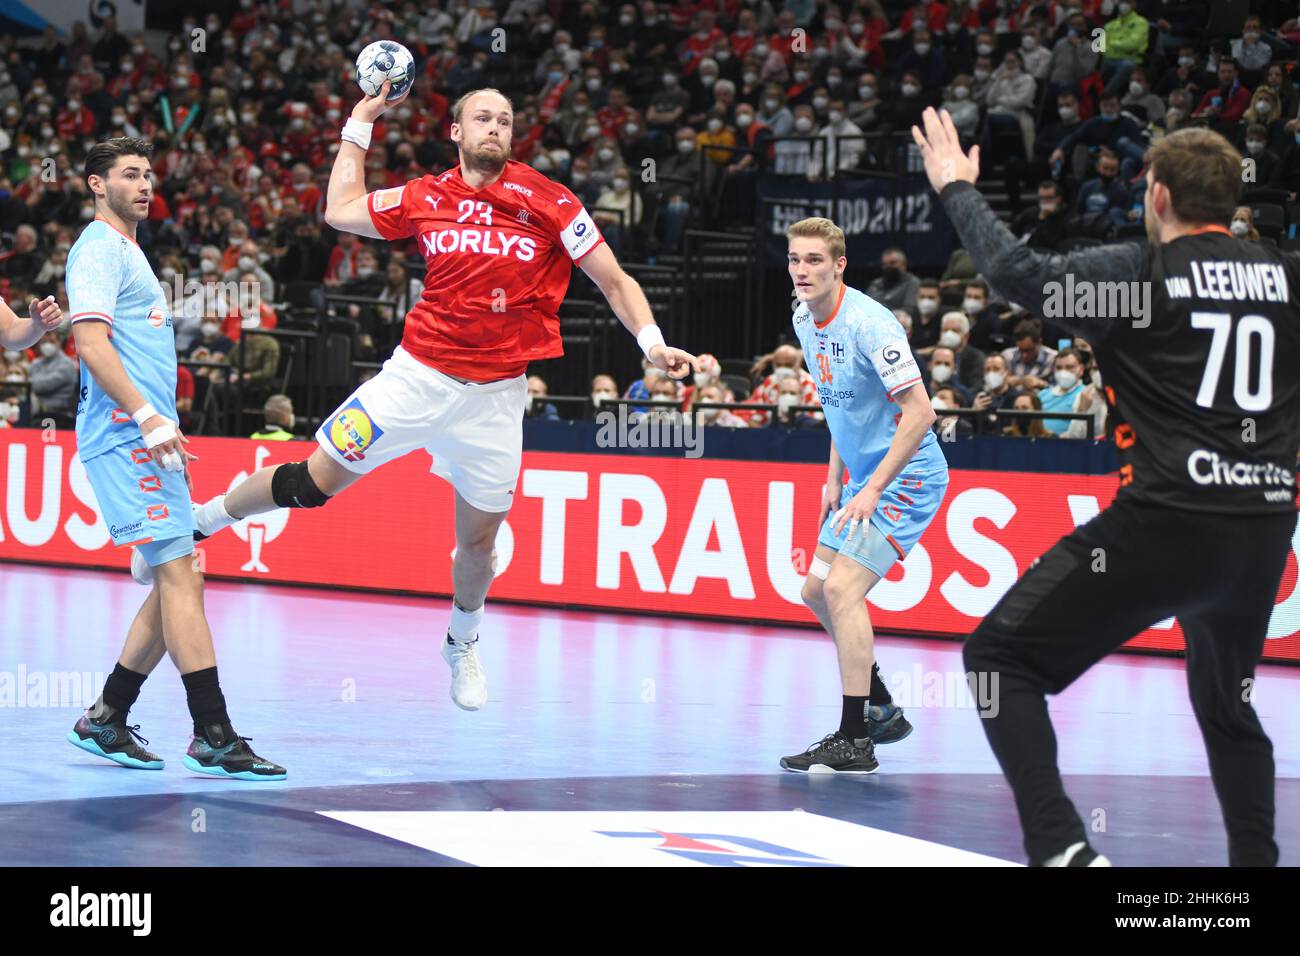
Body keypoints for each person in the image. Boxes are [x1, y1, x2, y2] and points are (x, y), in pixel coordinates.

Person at [183, 86, 697, 712]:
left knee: (478, 545)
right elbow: (339, 209)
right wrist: (359, 122)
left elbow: (615, 280)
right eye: (483, 117)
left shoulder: (551, 201)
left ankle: (462, 639)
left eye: (506, 120)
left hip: (496, 398)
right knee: (313, 483)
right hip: (416, 378)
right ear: (456, 130)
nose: (496, 127)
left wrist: (652, 343)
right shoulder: (427, 196)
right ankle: (199, 523)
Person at [914, 108, 1300, 866]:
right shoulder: (1288, 279)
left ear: (1156, 198)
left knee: (998, 660)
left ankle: (1060, 848)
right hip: (1261, 529)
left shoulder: (1138, 278)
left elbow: (1016, 273)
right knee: (1229, 707)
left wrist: (959, 188)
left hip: (1164, 521)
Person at [65, 137, 286, 779]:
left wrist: (160, 422)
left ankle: (107, 716)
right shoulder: (99, 249)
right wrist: (144, 414)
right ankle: (213, 734)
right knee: (180, 574)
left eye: (149, 174)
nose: (144, 183)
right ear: (95, 185)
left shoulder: (130, 250)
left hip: (154, 440)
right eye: (129, 174)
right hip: (127, 436)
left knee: (178, 578)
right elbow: (89, 342)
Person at [780, 216, 949, 774]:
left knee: (844, 591)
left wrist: (873, 487)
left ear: (839, 265)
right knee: (814, 590)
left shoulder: (871, 326)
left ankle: (855, 738)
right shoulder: (804, 318)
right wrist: (836, 474)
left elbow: (922, 412)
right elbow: (839, 402)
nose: (802, 271)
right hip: (860, 476)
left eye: (814, 261)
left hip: (908, 473)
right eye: (795, 259)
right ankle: (879, 706)